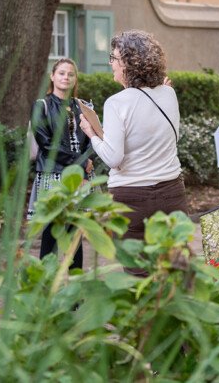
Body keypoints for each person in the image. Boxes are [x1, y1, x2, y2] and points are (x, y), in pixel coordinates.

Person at [79, 30, 187, 276]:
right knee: (174, 274)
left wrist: (92, 133)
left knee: (138, 276)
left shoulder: (117, 103)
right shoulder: (168, 93)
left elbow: (113, 158)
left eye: (114, 58)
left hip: (132, 200)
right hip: (172, 193)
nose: (111, 64)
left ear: (128, 63)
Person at [32, 58, 94, 270]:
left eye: (70, 74)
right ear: (52, 76)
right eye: (61, 73)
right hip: (53, 174)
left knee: (74, 231)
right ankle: (45, 282)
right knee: (52, 230)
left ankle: (75, 283)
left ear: (75, 79)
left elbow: (94, 138)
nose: (66, 77)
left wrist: (86, 165)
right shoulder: (41, 106)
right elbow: (46, 145)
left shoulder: (84, 107)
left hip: (80, 177)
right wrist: (80, 162)